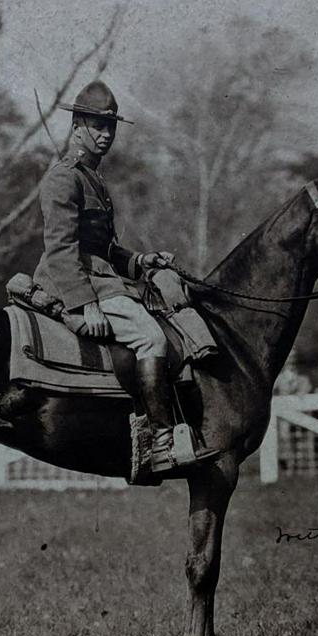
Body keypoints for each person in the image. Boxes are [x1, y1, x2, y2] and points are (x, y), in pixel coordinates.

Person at [33, 80, 218, 479]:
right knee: (150, 337)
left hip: (99, 275)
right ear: (77, 124)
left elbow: (105, 249)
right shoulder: (64, 178)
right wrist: (84, 304)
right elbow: (62, 249)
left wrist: (142, 260)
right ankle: (160, 442)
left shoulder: (93, 179)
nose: (105, 135)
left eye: (110, 127)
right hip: (72, 281)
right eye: (97, 125)